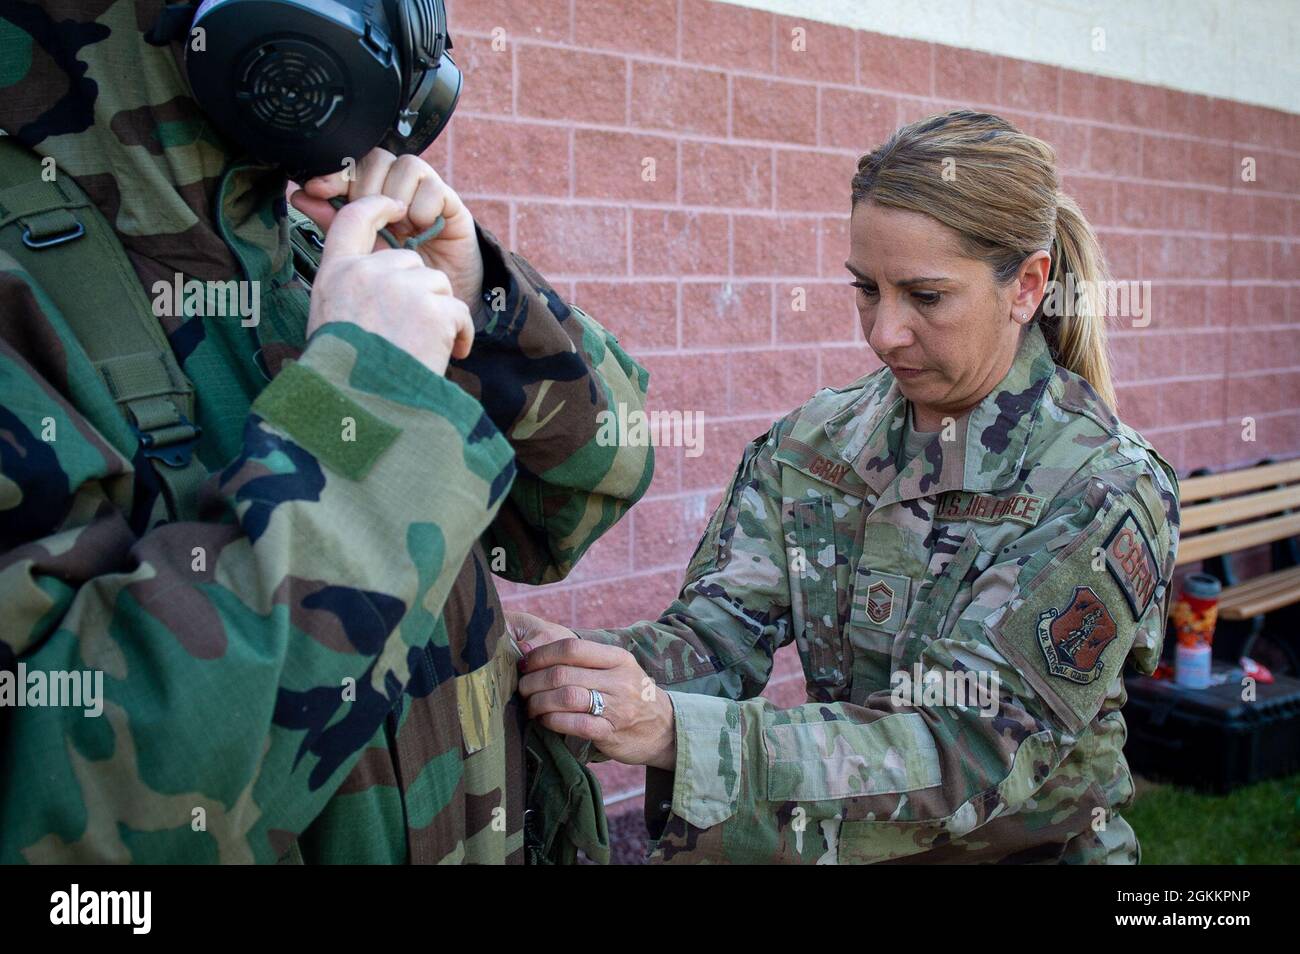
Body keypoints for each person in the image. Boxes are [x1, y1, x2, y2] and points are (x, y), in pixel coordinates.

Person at [0, 0, 650, 863]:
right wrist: (365, 410)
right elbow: (73, 832)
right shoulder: (26, 292)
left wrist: (481, 301)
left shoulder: (296, 246)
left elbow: (573, 505)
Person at [510, 110, 1182, 864]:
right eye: (867, 289)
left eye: (926, 297)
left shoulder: (1101, 490)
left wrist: (673, 731)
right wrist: (585, 673)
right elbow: (715, 639)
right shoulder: (812, 445)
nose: (882, 331)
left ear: (1027, 285)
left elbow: (966, 750)